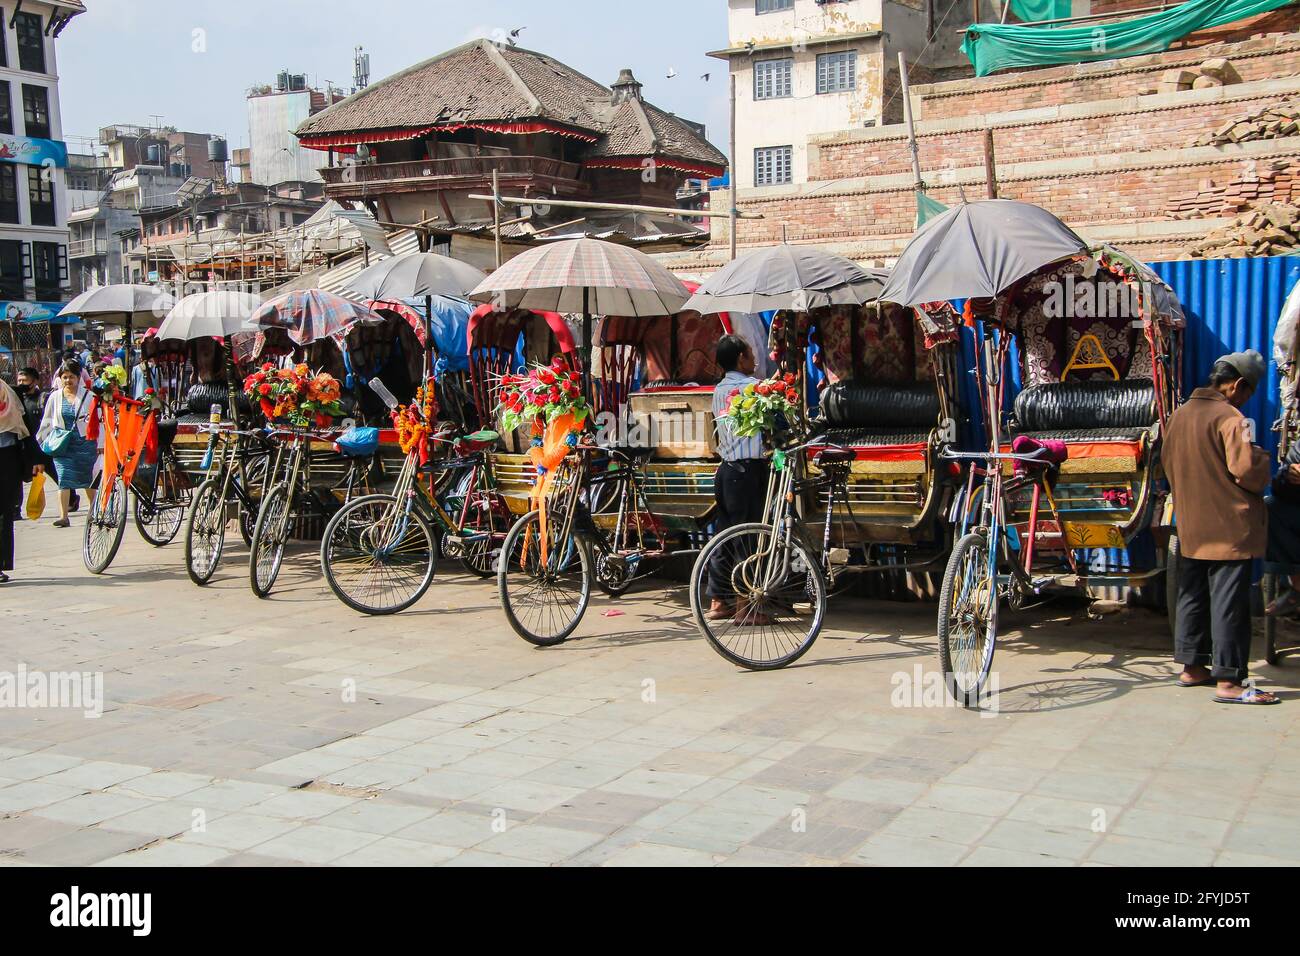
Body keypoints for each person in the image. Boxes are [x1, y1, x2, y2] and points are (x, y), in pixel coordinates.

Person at [1163, 350, 1278, 705]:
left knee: (1192, 594)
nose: (1246, 401)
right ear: (1238, 385)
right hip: (1230, 528)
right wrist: (1264, 460)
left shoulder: (1179, 415)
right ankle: (1230, 681)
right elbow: (1247, 472)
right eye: (1249, 392)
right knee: (1229, 603)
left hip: (1192, 524)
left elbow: (1167, 464)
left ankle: (1192, 667)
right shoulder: (1231, 418)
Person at [707, 335, 770, 624]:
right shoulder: (750, 387)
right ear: (740, 359)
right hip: (746, 472)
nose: (753, 359)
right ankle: (747, 608)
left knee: (725, 536)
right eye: (749, 354)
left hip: (727, 471)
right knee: (749, 538)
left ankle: (719, 601)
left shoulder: (719, 389)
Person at [37, 359, 96, 528]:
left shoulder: (89, 396)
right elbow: (47, 419)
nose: (68, 380)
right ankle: (63, 516)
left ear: (78, 377)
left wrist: (99, 444)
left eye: (71, 377)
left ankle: (94, 511)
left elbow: (97, 422)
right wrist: (44, 438)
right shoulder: (55, 397)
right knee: (63, 479)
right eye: (65, 377)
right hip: (63, 444)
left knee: (88, 479)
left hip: (85, 443)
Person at [0, 376, 37, 582]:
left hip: (8, 458)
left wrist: (34, 460)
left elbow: (26, 430)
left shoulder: (9, 393)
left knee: (4, 512)